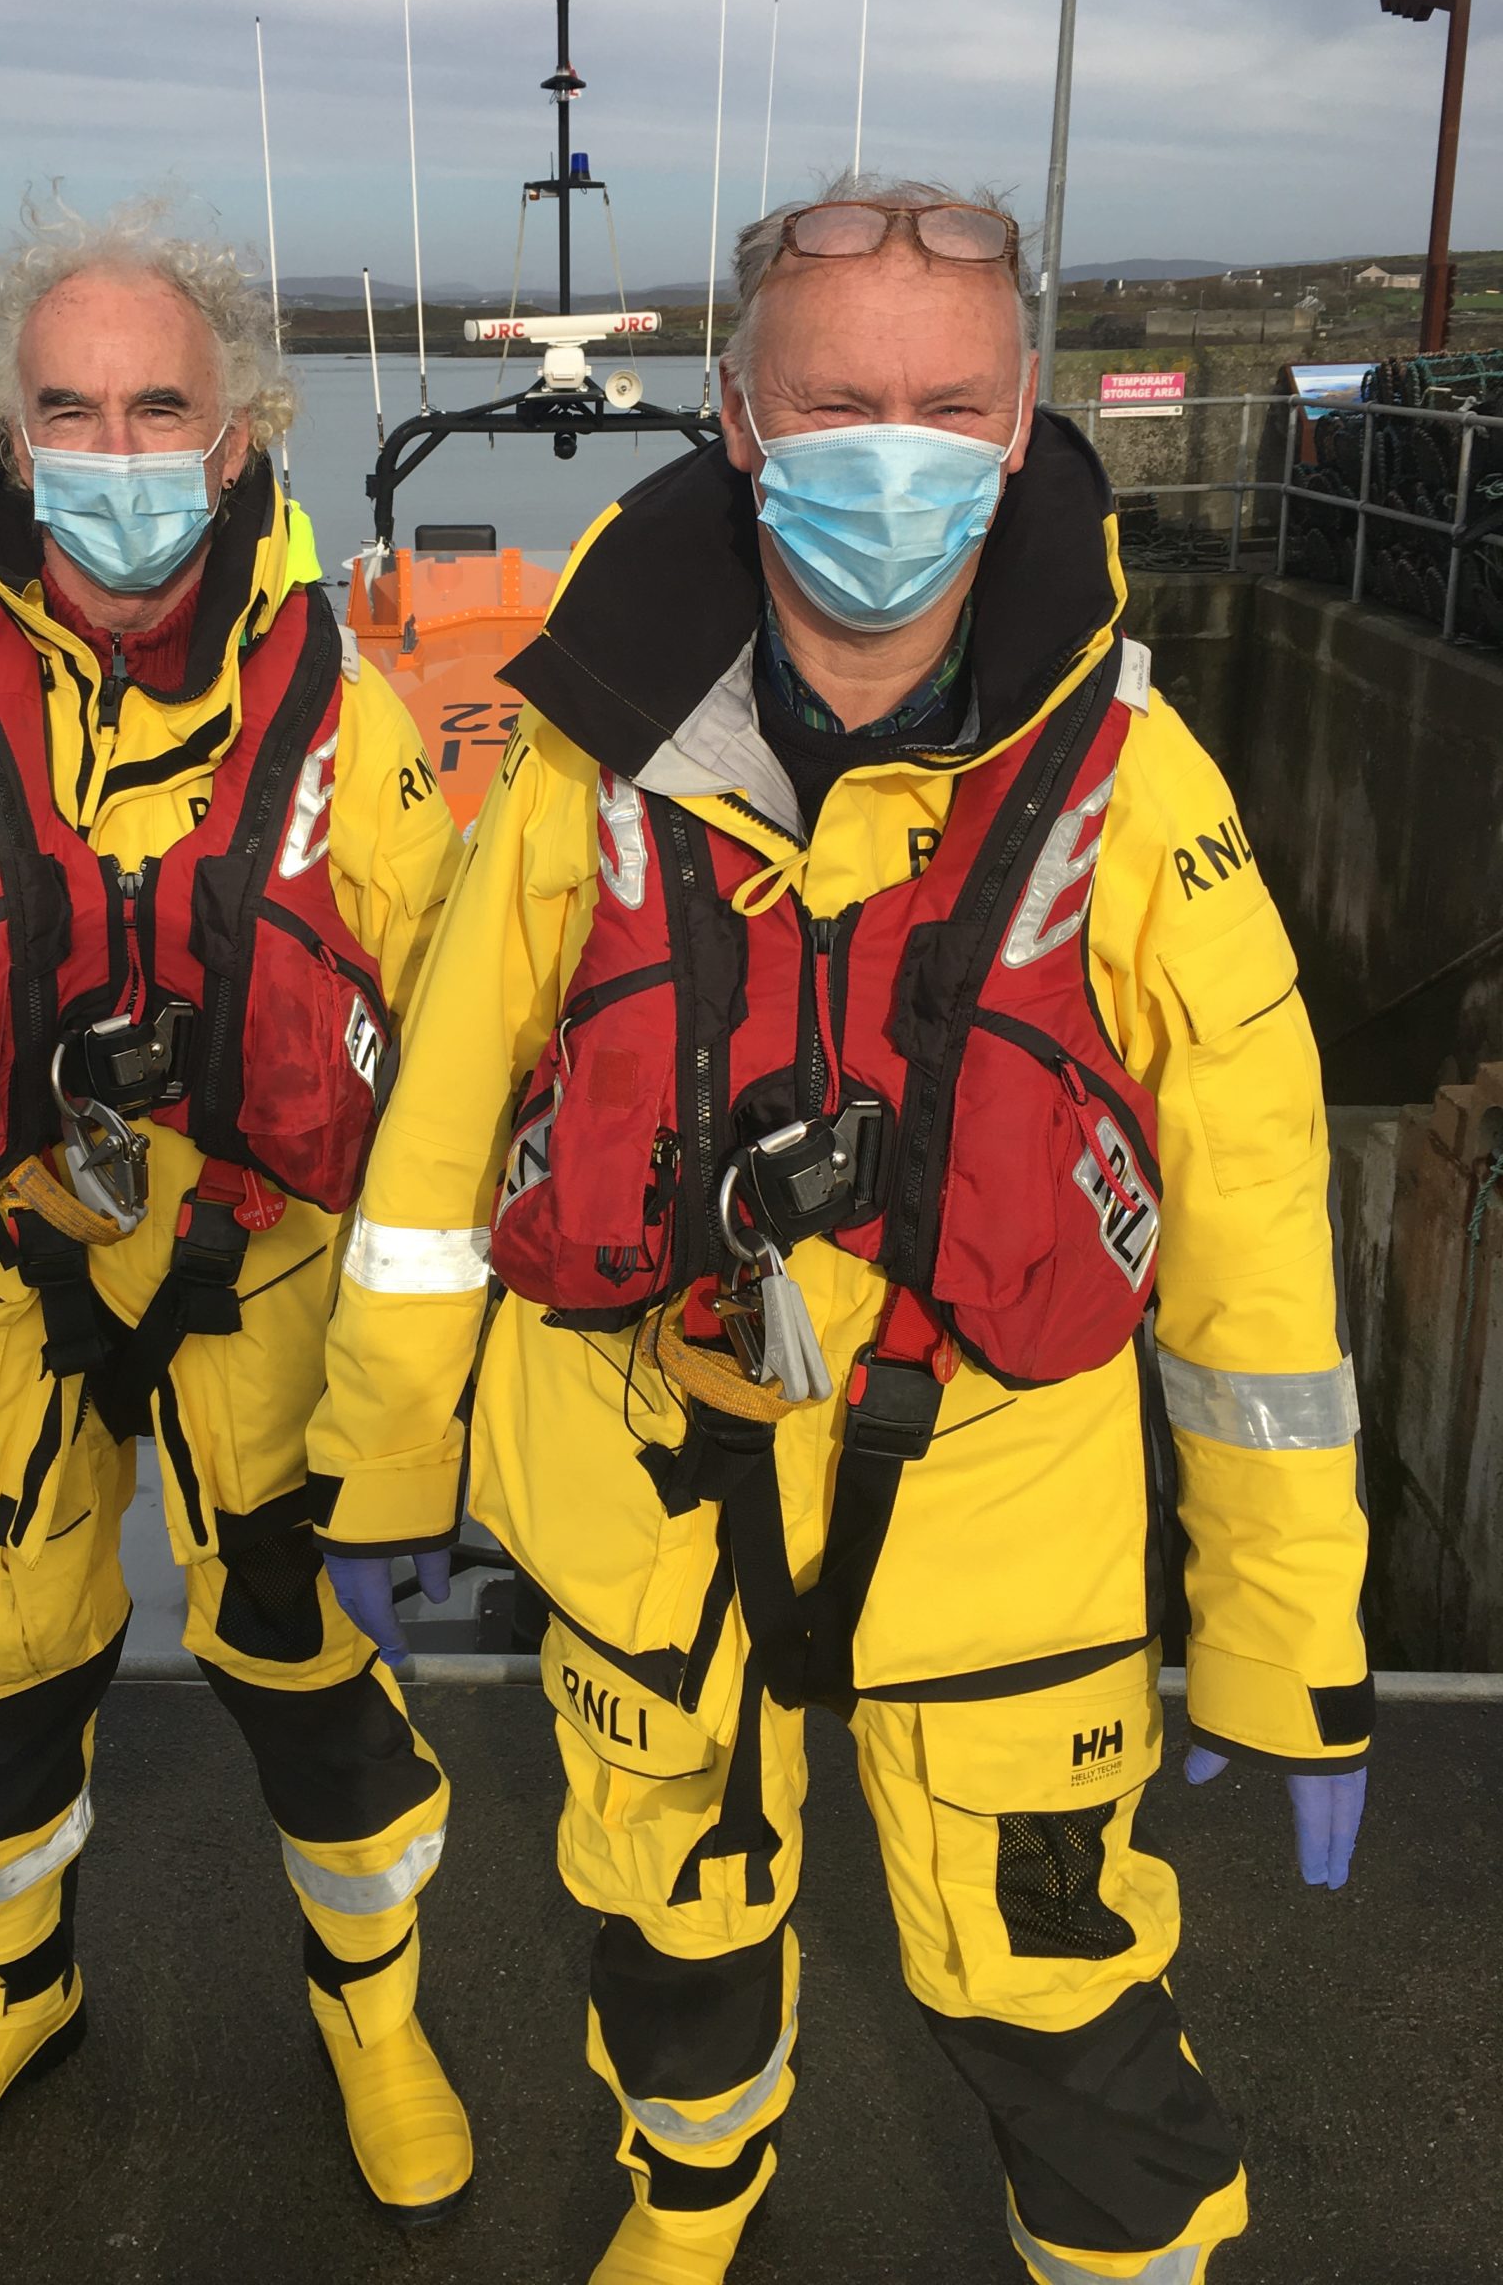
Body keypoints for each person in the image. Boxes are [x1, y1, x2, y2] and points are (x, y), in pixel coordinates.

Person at [308, 174, 1370, 2284]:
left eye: (945, 400)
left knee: (1053, 1992)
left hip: (1003, 1514)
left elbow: (1259, 1259)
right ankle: (690, 2203)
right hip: (644, 1485)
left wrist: (1285, 1637)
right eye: (839, 397)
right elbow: (434, 1153)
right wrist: (388, 1455)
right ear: (734, 415)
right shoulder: (574, 764)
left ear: (1025, 413)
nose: (893, 448)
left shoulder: (1142, 788)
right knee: (667, 1916)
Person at [0, 204, 473, 2219]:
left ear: (236, 441)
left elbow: (449, 1063)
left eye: (159, 408)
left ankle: (378, 2015)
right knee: (5, 1681)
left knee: (324, 1688)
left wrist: (436, 1364)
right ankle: (5, 1998)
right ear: (12, 429)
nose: (118, 449)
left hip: (270, 1272)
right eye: (73, 407)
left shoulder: (359, 713)